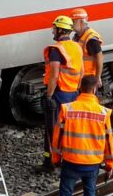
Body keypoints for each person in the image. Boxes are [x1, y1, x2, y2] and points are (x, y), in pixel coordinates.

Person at [44, 75, 113, 196]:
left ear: (79, 88)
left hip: (71, 162)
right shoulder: (103, 113)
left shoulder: (67, 109)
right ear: (94, 89)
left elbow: (56, 137)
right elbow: (109, 141)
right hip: (92, 164)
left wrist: (55, 158)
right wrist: (110, 164)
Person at [36, 15, 83, 173]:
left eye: (55, 28)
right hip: (72, 93)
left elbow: (54, 76)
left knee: (52, 130)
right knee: (68, 128)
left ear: (60, 30)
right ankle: (67, 159)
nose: (53, 31)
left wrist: (48, 95)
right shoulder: (76, 47)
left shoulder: (56, 50)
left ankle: (51, 163)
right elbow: (81, 71)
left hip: (59, 93)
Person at [71, 8, 104, 89]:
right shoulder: (76, 37)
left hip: (89, 79)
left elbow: (99, 58)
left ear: (82, 21)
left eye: (73, 21)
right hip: (81, 77)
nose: (71, 24)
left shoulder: (91, 38)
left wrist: (98, 77)